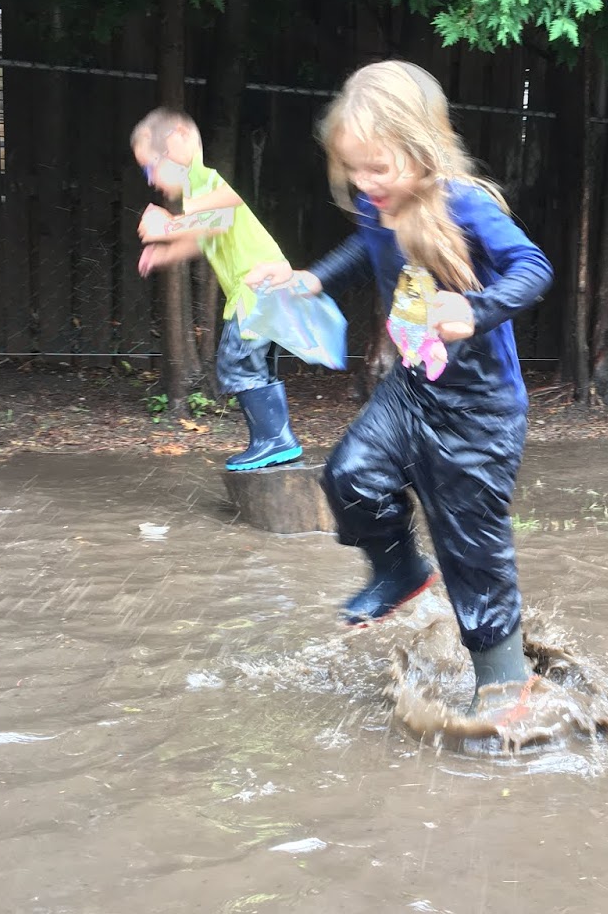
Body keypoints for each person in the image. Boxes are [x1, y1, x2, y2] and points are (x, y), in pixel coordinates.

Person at [246, 60, 553, 713]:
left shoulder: (465, 205)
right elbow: (366, 246)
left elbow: (533, 267)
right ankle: (399, 570)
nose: (363, 183)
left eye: (377, 169)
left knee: (471, 542)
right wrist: (312, 278)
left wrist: (476, 309)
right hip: (413, 387)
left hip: (480, 409)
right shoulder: (374, 202)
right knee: (349, 477)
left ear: (423, 150)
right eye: (352, 170)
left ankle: (503, 677)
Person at [130, 110, 302, 470]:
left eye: (151, 168)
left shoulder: (204, 180)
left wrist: (169, 225)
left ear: (177, 141)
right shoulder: (197, 191)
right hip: (264, 289)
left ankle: (275, 440)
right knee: (251, 366)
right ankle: (275, 441)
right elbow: (204, 240)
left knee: (237, 363)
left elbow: (223, 214)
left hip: (258, 286)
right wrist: (164, 253)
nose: (151, 181)